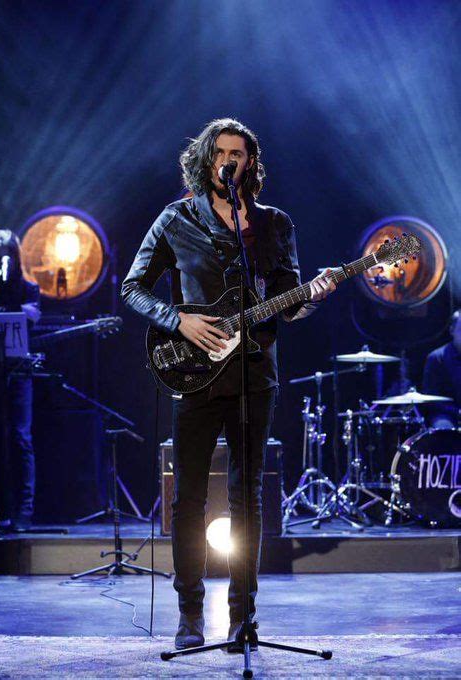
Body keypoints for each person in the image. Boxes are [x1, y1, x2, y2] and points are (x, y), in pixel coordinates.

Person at [121, 118, 335, 651]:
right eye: (220, 152)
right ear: (205, 159)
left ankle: (243, 618)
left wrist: (313, 296)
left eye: (238, 153)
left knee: (247, 496)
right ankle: (189, 616)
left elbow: (290, 304)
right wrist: (178, 320)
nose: (229, 161)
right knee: (188, 498)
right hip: (193, 371)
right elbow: (133, 287)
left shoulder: (274, 224)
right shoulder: (176, 219)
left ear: (250, 162)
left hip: (254, 374)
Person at [0, 229, 41, 531]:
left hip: (18, 372)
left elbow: (33, 315)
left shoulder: (28, 288)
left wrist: (16, 310)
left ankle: (24, 511)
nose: (3, 259)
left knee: (21, 437)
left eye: (8, 253)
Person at [422, 309, 461, 428]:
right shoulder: (437, 358)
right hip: (448, 415)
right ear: (452, 330)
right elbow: (432, 399)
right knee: (443, 425)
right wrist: (458, 412)